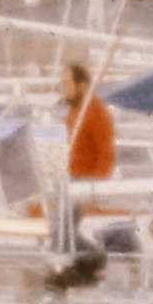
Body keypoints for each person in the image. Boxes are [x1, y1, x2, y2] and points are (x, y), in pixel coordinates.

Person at [52, 63, 118, 256]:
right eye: (62, 84)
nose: (64, 89)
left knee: (62, 234)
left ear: (81, 86)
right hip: (72, 179)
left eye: (67, 83)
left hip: (86, 182)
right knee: (63, 232)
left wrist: (93, 190)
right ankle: (88, 258)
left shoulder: (96, 113)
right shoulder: (74, 113)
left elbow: (106, 155)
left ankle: (94, 258)